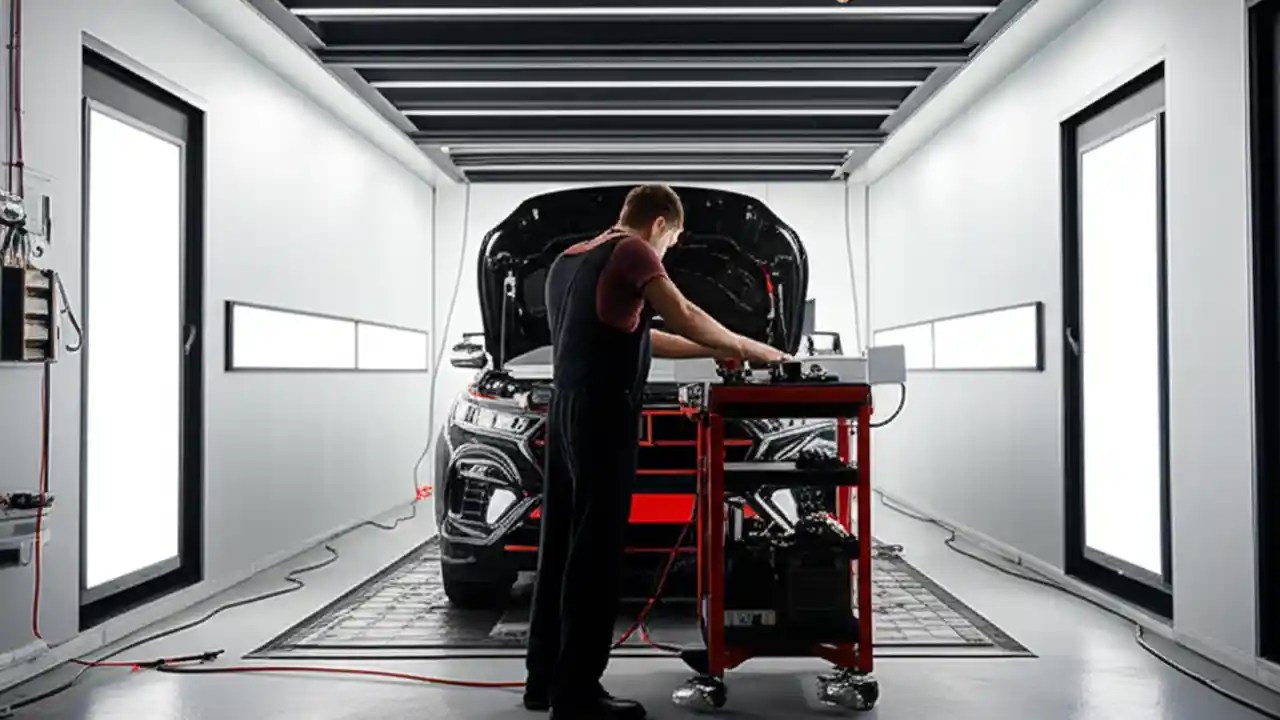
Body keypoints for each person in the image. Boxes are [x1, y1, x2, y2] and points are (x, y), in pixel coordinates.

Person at [524, 185, 787, 718]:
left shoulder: (569, 260)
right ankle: (579, 693)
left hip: (565, 411)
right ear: (662, 224)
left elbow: (649, 335)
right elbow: (685, 312)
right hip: (602, 414)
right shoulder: (634, 251)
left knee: (560, 549)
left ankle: (544, 681)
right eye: (674, 240)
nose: (668, 252)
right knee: (595, 554)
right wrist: (759, 351)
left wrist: (720, 348)